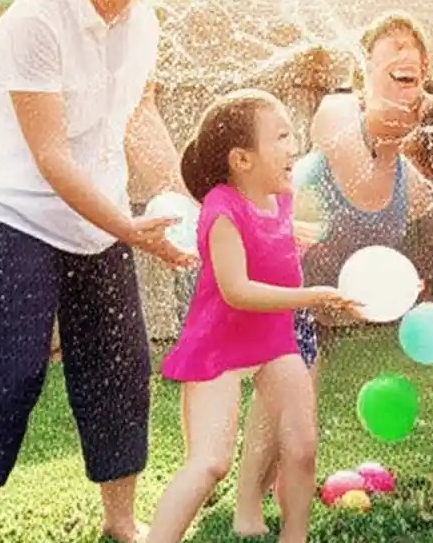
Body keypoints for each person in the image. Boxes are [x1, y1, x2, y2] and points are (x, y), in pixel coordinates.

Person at [0, 0, 190, 543]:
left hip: (97, 213)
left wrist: (176, 192)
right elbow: (50, 156)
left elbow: (139, 115)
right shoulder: (36, 20)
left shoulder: (143, 22)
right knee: (11, 373)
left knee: (120, 365)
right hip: (11, 211)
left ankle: (119, 523)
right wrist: (128, 229)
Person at [231, 12, 433, 536]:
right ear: (363, 75)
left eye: (413, 74)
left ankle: (274, 497)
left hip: (319, 298)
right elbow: (356, 168)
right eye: (391, 66)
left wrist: (409, 284)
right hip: (271, 280)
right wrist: (392, 128)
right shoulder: (334, 113)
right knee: (286, 396)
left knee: (296, 403)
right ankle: (247, 508)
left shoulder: (410, 181)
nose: (404, 77)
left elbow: (408, 250)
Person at [148, 90, 356, 543]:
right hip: (218, 345)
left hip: (273, 341)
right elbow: (237, 291)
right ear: (242, 159)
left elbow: (274, 242)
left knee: (301, 446)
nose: (292, 146)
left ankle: (294, 537)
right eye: (280, 136)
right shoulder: (221, 210)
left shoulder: (281, 198)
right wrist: (312, 295)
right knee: (210, 463)